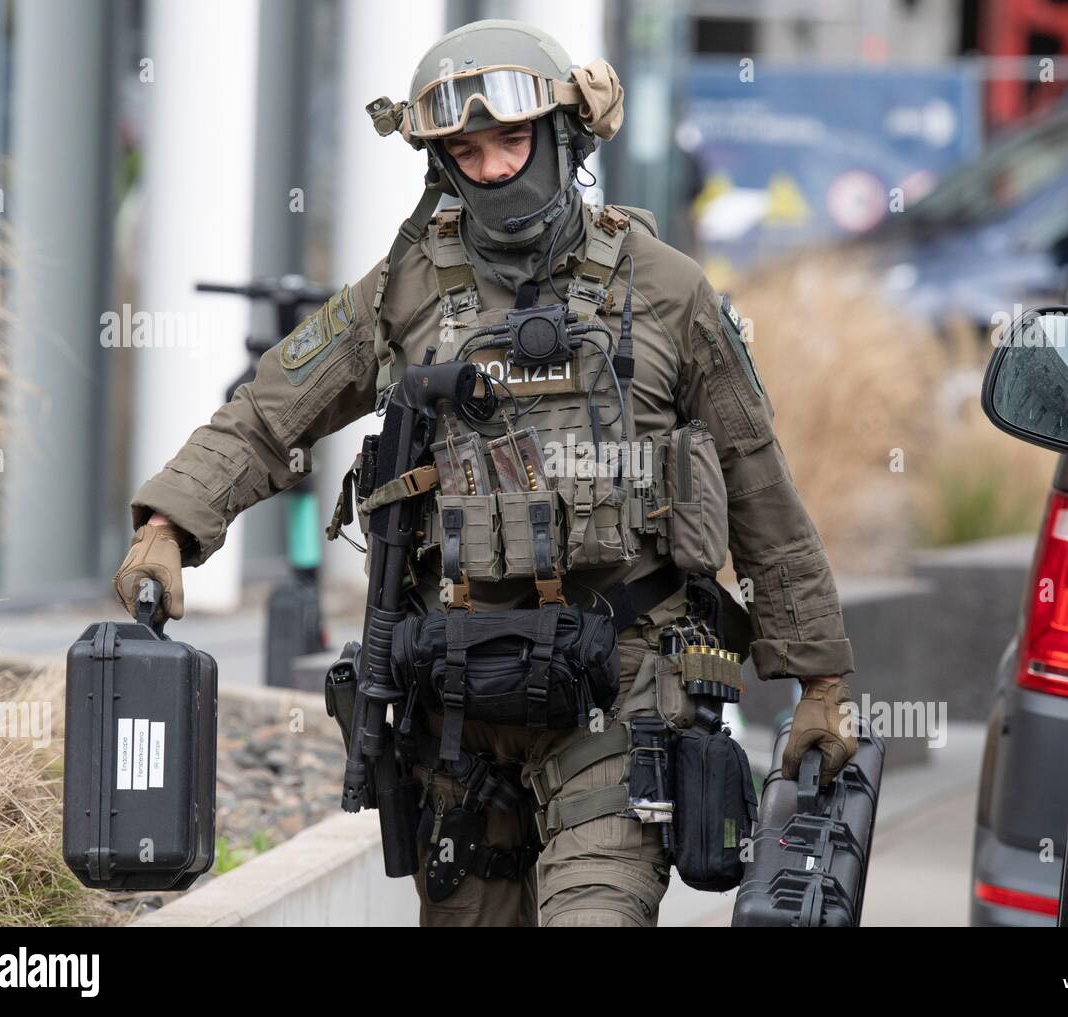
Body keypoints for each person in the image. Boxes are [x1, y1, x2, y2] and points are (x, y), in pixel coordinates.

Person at [113, 19, 856, 927]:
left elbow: (758, 485)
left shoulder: (668, 290)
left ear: (563, 137)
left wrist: (818, 680)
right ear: (441, 164)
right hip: (456, 712)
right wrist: (170, 528)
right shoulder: (404, 289)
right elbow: (269, 413)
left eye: (512, 139)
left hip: (618, 693)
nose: (496, 167)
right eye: (468, 150)